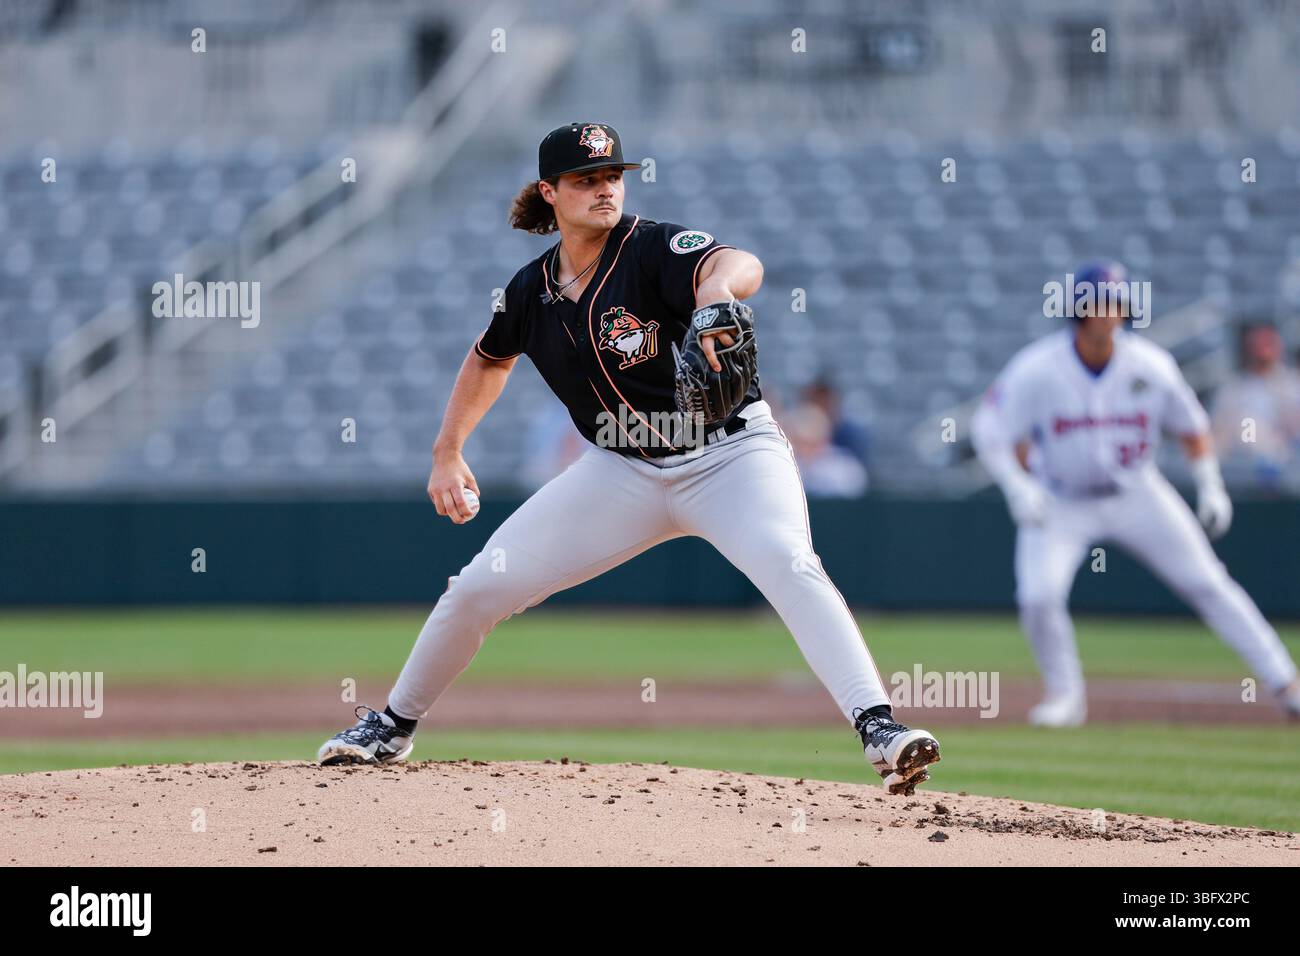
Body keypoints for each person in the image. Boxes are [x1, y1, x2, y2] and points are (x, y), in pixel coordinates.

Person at [318, 122, 940, 793]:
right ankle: (392, 726)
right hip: (622, 470)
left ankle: (879, 725)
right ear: (549, 193)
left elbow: (738, 264)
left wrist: (715, 294)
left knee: (789, 564)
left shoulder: (651, 248)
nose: (605, 188)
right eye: (586, 179)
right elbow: (487, 357)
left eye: (613, 175)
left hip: (729, 456)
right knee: (476, 588)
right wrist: (448, 451)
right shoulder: (530, 291)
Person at [971, 261, 1300, 727]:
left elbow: (1192, 428)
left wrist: (1209, 483)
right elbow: (989, 429)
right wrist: (1017, 485)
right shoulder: (1038, 368)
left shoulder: (1150, 364)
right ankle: (1066, 696)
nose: (1108, 313)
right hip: (1061, 498)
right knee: (1038, 596)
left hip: (1137, 491)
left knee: (1208, 581)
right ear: (1077, 312)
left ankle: (1285, 682)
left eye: (1115, 303)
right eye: (1098, 304)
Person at [1210, 321, 1300, 487]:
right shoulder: (1232, 389)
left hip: (1287, 460)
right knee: (1247, 421)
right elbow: (1219, 433)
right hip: (1242, 464)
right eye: (1257, 344)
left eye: (1268, 343)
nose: (1263, 350)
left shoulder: (1292, 383)